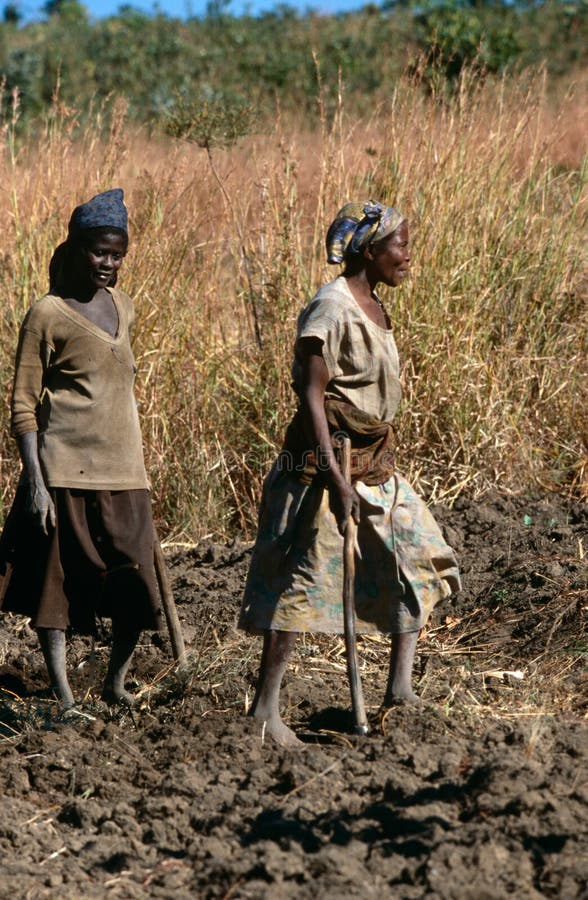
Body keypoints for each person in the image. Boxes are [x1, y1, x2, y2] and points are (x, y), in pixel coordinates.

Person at [239, 200, 461, 746]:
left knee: (419, 559)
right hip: (323, 468)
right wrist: (337, 483)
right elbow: (311, 395)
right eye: (401, 245)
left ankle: (400, 691)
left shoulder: (376, 305)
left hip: (374, 464)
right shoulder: (331, 308)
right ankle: (266, 712)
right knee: (299, 587)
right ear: (369, 250)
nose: (408, 256)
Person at [0, 188, 163, 709]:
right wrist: (36, 483)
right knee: (59, 586)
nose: (108, 265)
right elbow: (23, 405)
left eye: (117, 255)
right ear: (76, 248)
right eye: (99, 253)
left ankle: (115, 682)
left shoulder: (126, 306)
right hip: (64, 471)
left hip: (125, 471)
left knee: (137, 585)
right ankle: (64, 695)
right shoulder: (46, 314)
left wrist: (142, 472)